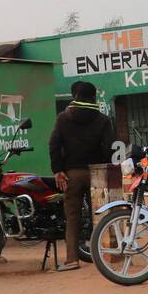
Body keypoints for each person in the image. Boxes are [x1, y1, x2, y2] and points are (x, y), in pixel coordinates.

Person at [47, 80, 114, 271]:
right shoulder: (103, 119)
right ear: (93, 97)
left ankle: (72, 259)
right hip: (97, 173)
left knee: (73, 216)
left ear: (75, 96)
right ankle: (106, 255)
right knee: (101, 215)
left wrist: (58, 170)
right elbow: (110, 148)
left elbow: (53, 145)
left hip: (72, 174)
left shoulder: (63, 118)